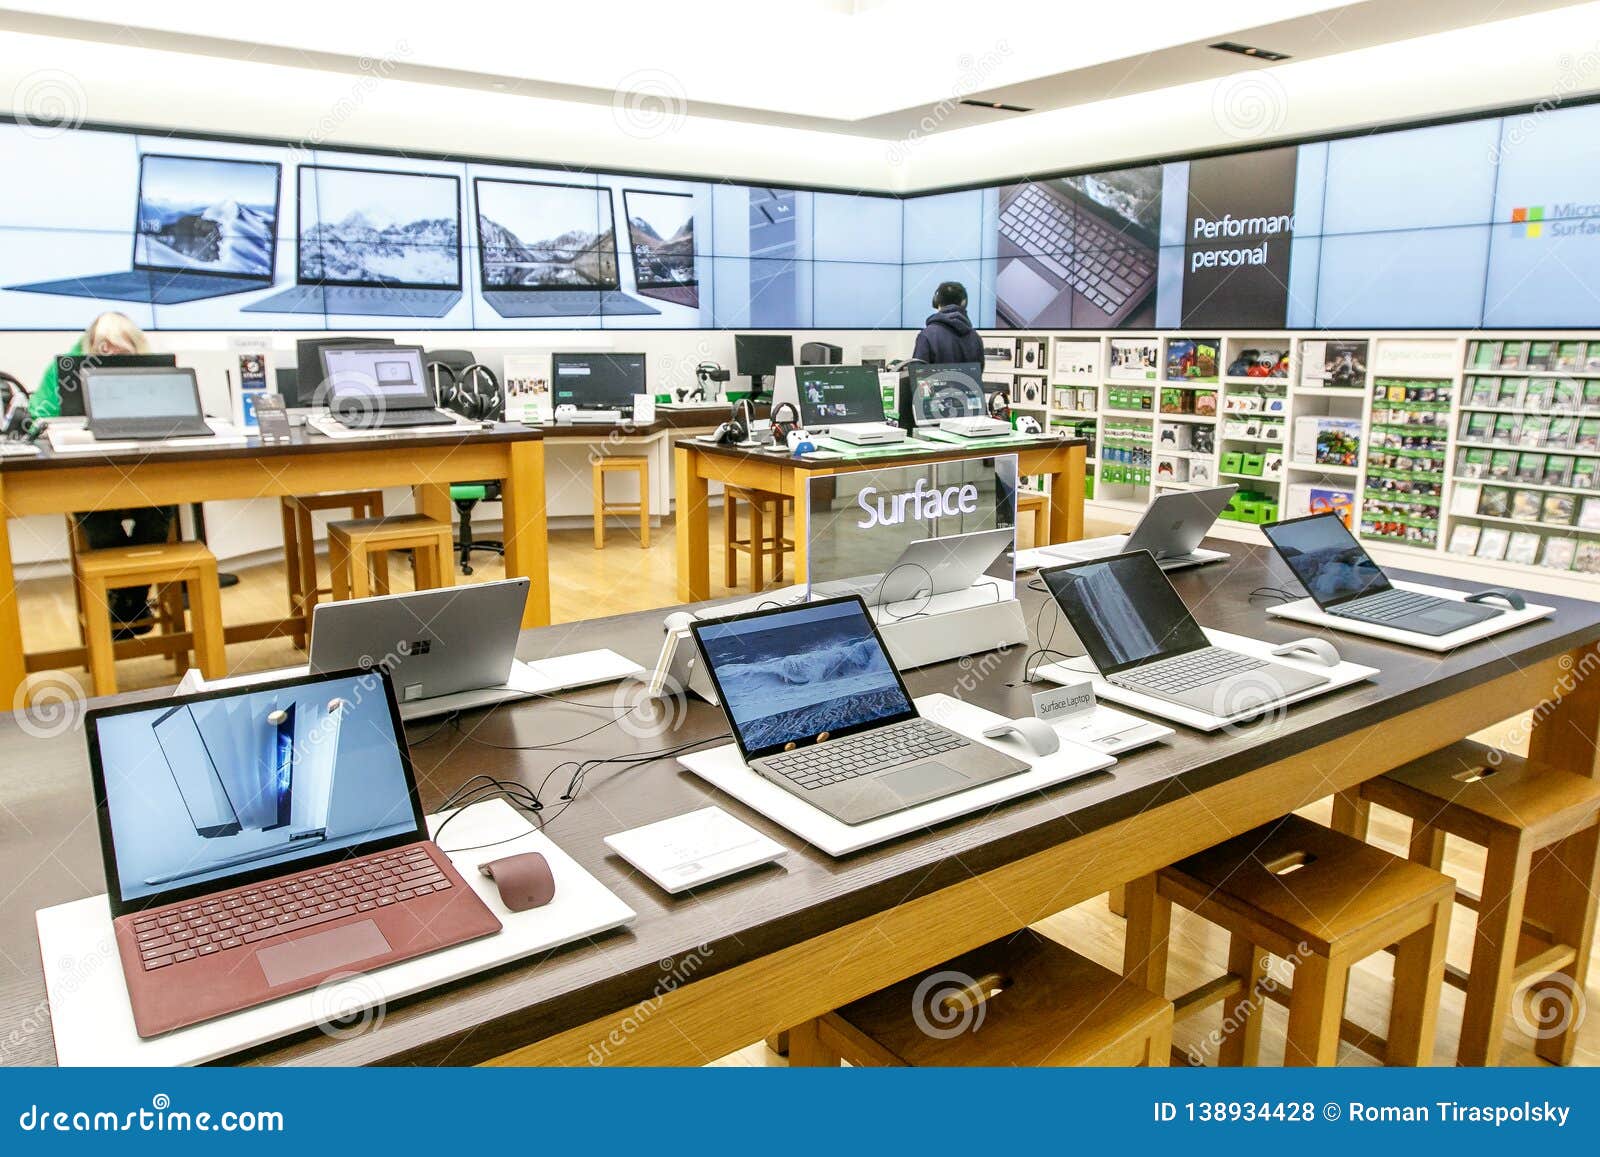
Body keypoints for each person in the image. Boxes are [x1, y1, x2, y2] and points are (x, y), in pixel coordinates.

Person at [32, 312, 176, 638]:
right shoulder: (64, 371)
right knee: (97, 518)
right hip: (88, 478)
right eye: (102, 350)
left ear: (136, 350)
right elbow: (39, 417)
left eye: (119, 351)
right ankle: (128, 602)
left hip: (143, 475)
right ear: (89, 348)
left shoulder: (155, 371)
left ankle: (128, 601)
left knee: (159, 513)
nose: (109, 358)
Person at [912, 281, 985, 364]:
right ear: (963, 303)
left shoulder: (927, 335)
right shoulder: (975, 337)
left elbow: (918, 373)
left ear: (937, 302)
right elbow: (978, 372)